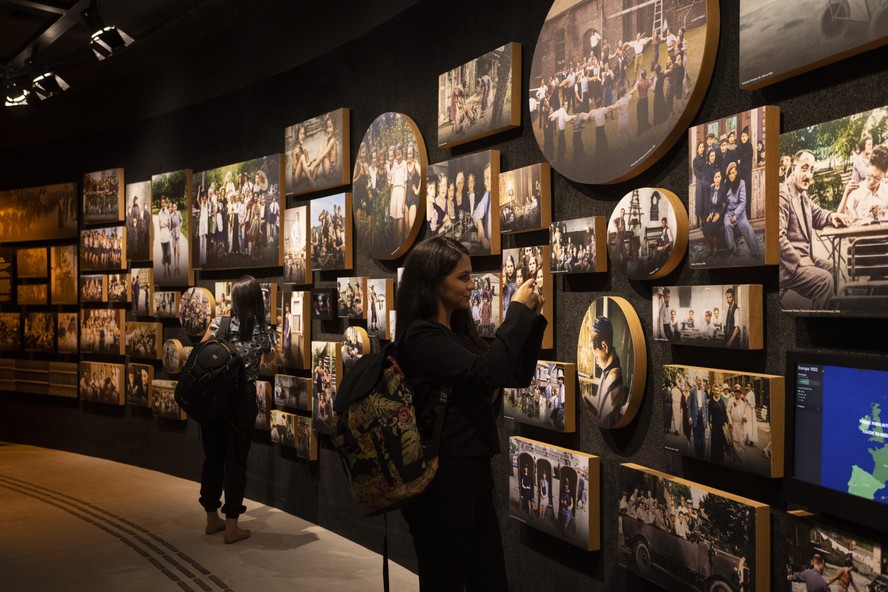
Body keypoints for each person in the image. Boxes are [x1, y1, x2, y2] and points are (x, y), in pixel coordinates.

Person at [395, 236, 546, 592]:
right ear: (434, 280)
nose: (472, 285)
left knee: (489, 578)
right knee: (446, 580)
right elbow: (488, 374)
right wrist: (517, 314)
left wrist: (533, 319)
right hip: (442, 479)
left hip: (471, 472)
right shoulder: (420, 336)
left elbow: (513, 374)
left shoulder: (456, 333)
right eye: (463, 277)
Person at [198, 275, 275, 544]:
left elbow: (201, 353)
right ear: (257, 300)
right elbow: (272, 357)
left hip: (214, 400)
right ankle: (232, 526)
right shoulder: (264, 331)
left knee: (213, 457)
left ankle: (211, 519)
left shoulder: (219, 323)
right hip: (242, 400)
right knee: (236, 461)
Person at [779, 150, 849, 308]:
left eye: (812, 170)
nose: (809, 176)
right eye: (804, 168)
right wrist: (797, 260)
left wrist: (832, 216)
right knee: (824, 281)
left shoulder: (802, 194)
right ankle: (818, 324)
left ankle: (831, 315)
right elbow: (776, 237)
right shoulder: (783, 195)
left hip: (806, 258)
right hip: (787, 266)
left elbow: (817, 213)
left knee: (835, 271)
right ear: (793, 168)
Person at [688, 375, 708, 459]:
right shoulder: (692, 392)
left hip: (702, 418)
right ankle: (697, 457)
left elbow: (706, 407)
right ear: (696, 381)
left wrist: (706, 420)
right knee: (696, 439)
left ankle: (702, 457)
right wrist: (689, 417)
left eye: (701, 381)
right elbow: (689, 405)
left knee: (703, 441)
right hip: (695, 417)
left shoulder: (704, 393)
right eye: (699, 380)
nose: (700, 382)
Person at [708, 383, 728, 464]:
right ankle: (714, 459)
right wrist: (709, 422)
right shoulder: (711, 401)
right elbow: (709, 413)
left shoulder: (721, 401)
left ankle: (720, 459)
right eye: (715, 391)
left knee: (720, 442)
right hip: (714, 425)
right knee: (714, 441)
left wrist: (726, 422)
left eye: (718, 391)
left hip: (721, 425)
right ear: (713, 391)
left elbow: (724, 412)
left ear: (720, 391)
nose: (716, 392)